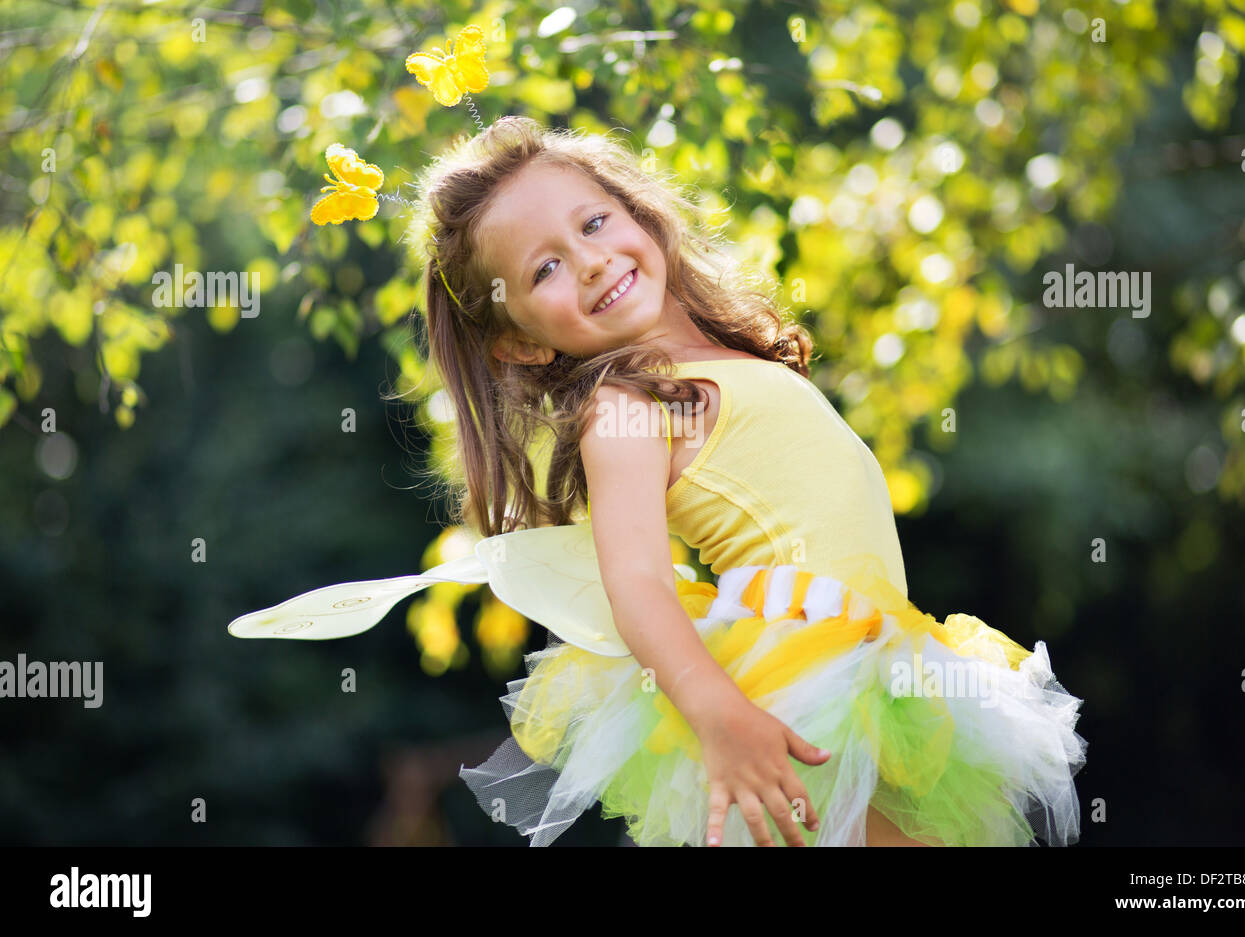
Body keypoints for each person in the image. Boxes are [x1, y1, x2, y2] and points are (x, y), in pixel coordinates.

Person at [393, 115, 1088, 847]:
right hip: (788, 685)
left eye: (595, 223)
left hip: (873, 661)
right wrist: (718, 713)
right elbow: (639, 586)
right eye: (545, 269)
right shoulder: (624, 404)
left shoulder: (727, 361)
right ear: (522, 342)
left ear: (640, 214)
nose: (591, 261)